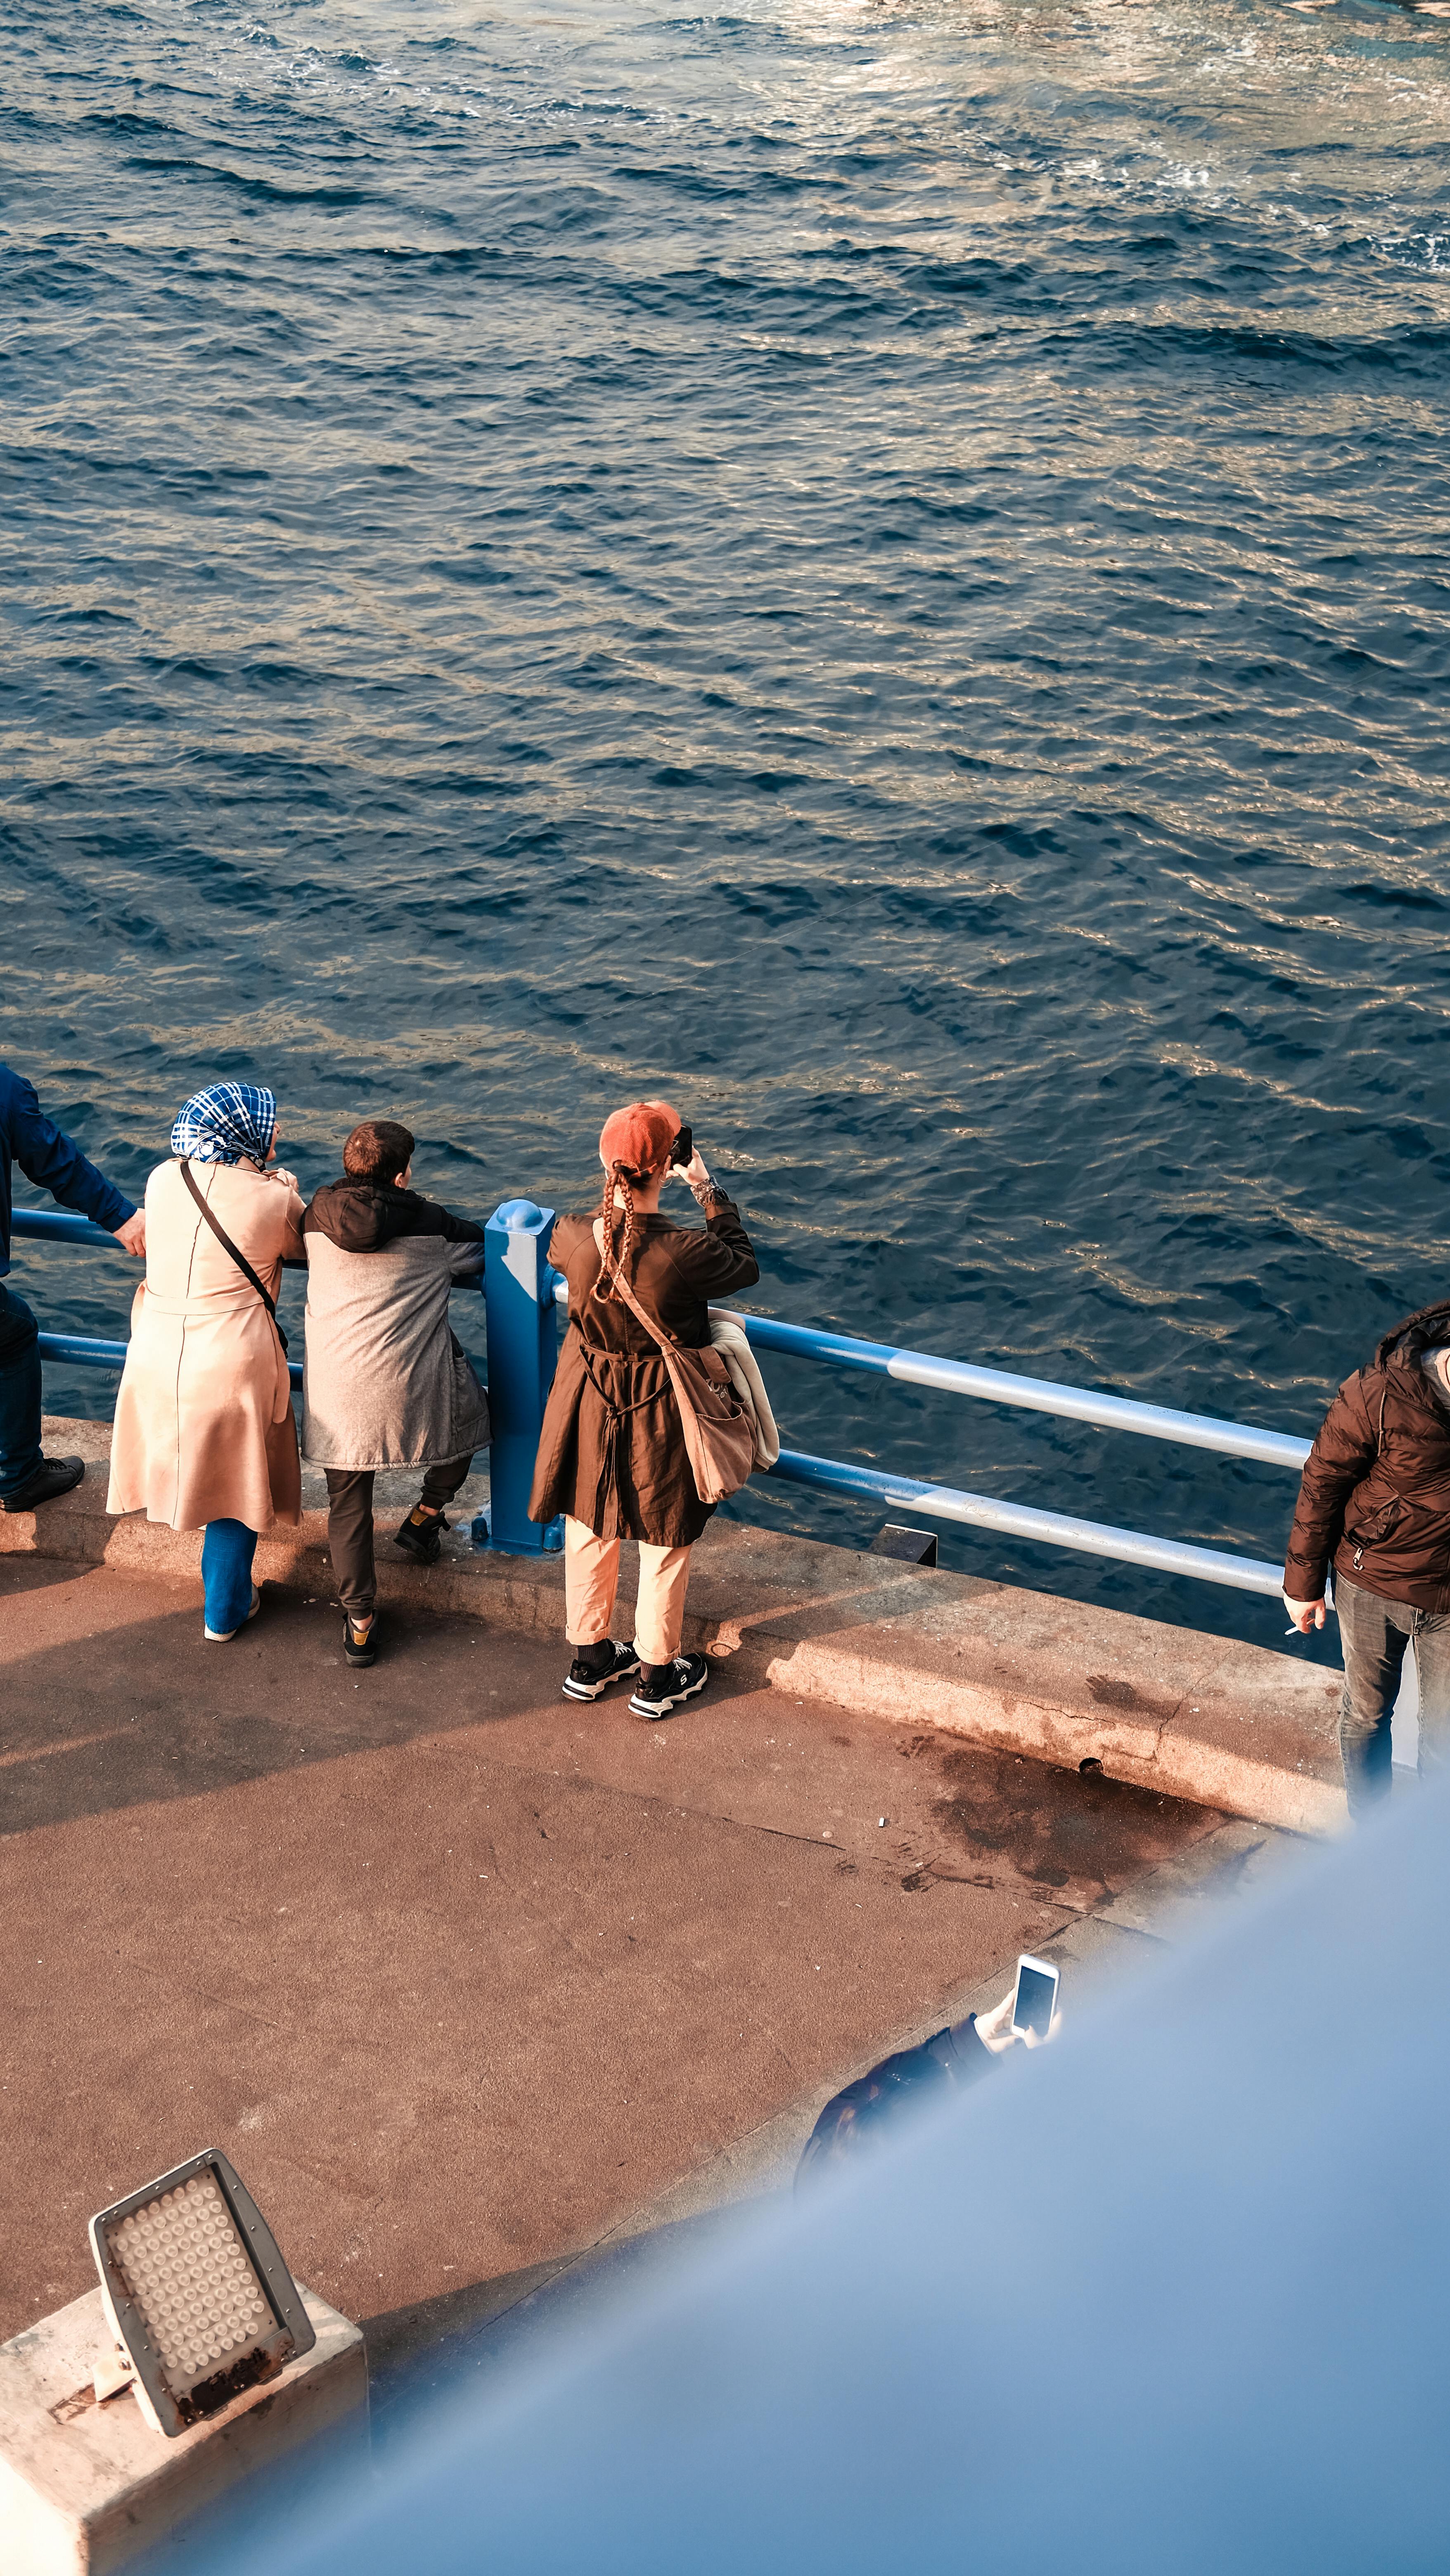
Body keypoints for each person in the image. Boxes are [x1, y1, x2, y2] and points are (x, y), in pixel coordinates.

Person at [529, 1100, 759, 1719]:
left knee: (588, 1524)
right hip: (660, 1409)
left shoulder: (575, 1235)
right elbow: (744, 1264)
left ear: (607, 1166)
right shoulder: (685, 1250)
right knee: (663, 1536)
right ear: (666, 1166)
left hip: (590, 1404)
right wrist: (706, 1187)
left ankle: (591, 1659)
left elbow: (566, 1257)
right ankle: (657, 1675)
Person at [107, 1084, 303, 1641]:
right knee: (236, 1484)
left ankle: (226, 1598)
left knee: (196, 1467)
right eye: (270, 1121)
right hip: (228, 1357)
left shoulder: (163, 1179)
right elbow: (298, 1241)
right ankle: (225, 1609)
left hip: (156, 1348)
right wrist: (284, 1186)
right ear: (243, 1132)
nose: (278, 1130)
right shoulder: (272, 1199)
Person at [302, 1120, 490, 1669]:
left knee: (348, 1502)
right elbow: (485, 1251)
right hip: (409, 1390)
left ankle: (360, 1623)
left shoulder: (312, 1219)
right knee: (474, 1418)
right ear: (404, 1174)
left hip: (335, 1394)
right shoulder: (432, 1225)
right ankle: (426, 1514)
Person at [1284, 1292, 1450, 1815]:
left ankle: (1427, 1851)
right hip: (1369, 1583)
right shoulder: (1377, 1393)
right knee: (1366, 1717)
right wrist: (1302, 1586)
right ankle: (1370, 1834)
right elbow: (1322, 1484)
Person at [0, 1061, 145, 1513]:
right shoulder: (4, 1087)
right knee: (16, 1331)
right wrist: (120, 1217)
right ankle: (18, 1475)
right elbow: (56, 1162)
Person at [795, 1984, 1060, 2188]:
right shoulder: (946, 2197)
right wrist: (1052, 2074)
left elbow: (901, 2087)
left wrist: (972, 2040)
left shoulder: (837, 2123)